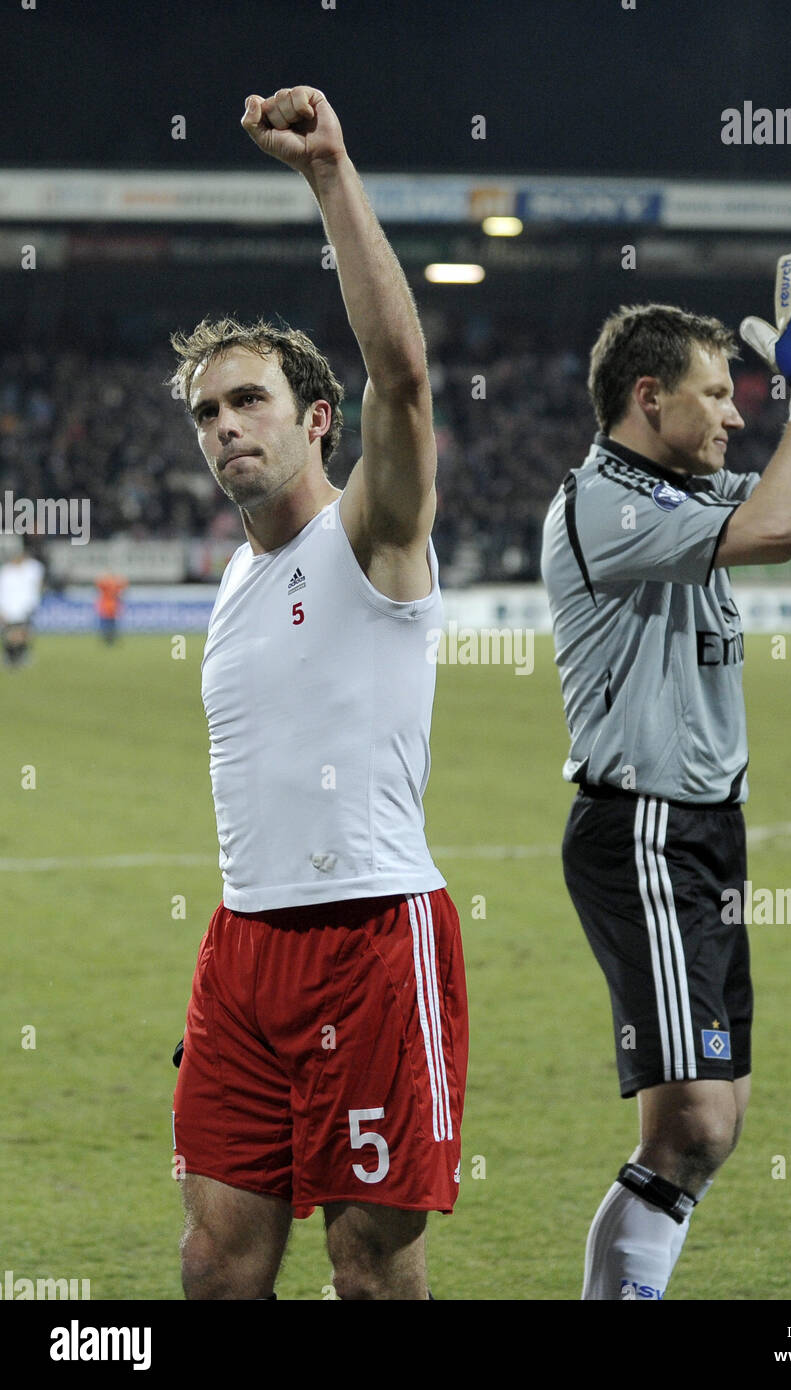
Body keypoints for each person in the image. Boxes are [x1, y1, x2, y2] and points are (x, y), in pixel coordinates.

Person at [167, 85, 467, 1301]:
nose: (226, 427)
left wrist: (330, 176)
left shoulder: (371, 537)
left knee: (364, 1263)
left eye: (249, 402)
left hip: (371, 936)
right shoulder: (238, 577)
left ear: (315, 419)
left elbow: (404, 375)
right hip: (244, 945)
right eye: (205, 412)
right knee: (216, 1260)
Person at [540, 240, 791, 1300]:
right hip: (638, 826)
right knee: (689, 1115)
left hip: (701, 833)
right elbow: (781, 526)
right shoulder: (604, 500)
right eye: (713, 395)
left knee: (708, 1129)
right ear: (647, 399)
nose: (735, 416)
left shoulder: (680, 484)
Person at [0, 544, 45, 667]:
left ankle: (20, 655)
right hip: (9, 608)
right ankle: (11, 657)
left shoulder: (31, 569)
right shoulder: (6, 571)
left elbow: (37, 585)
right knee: (11, 633)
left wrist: (34, 602)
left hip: (24, 607)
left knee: (24, 632)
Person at [94, 571, 127, 644]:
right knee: (111, 624)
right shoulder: (115, 585)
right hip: (111, 607)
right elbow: (123, 587)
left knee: (107, 624)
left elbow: (98, 584)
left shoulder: (106, 584)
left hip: (107, 607)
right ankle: (110, 639)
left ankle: (108, 639)